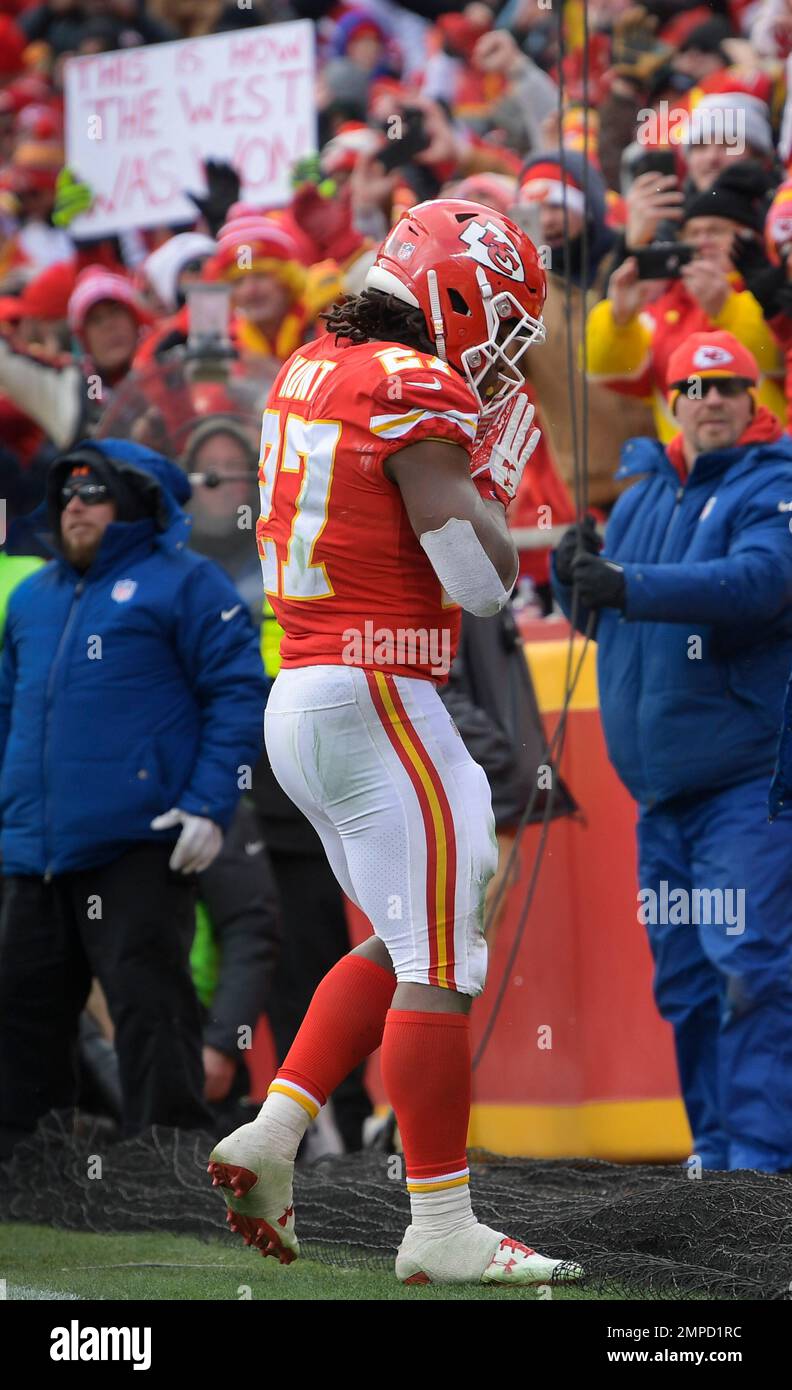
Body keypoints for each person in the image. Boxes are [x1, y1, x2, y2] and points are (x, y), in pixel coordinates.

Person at [208, 198, 583, 1287]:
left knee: (413, 941)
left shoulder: (311, 363)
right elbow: (478, 577)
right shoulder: (415, 381)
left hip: (308, 695)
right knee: (446, 953)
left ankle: (273, 1133)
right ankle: (441, 1223)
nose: (503, 357)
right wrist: (500, 474)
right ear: (457, 296)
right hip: (381, 691)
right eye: (500, 327)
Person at [552, 330, 792, 1173]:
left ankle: (761, 1173)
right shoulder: (644, 491)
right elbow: (602, 616)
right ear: (673, 399)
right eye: (695, 384)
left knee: (749, 973)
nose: (712, 398)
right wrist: (568, 574)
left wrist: (629, 583)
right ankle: (717, 1160)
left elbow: (762, 583)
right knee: (688, 985)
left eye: (728, 384)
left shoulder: (778, 483)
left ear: (752, 396)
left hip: (748, 791)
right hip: (663, 803)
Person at [0, 438, 269, 1156]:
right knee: (19, 1015)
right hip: (33, 852)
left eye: (92, 492)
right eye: (64, 496)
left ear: (135, 501)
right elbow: (7, 717)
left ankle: (167, 1166)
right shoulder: (30, 601)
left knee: (151, 1010)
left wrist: (210, 804)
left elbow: (239, 694)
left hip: (139, 845)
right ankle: (27, 1167)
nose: (73, 507)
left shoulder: (189, 584)